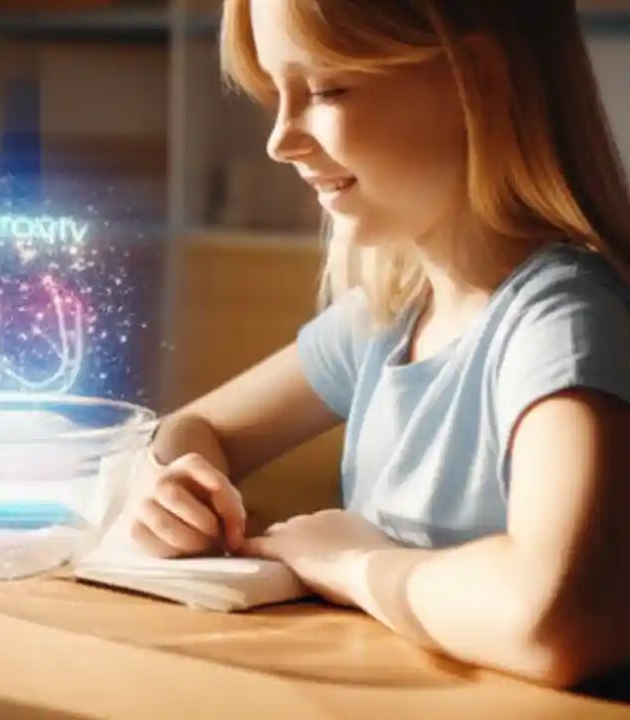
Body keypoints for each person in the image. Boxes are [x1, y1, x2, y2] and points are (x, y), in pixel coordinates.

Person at [133, 0, 630, 687]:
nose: (280, 139)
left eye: (328, 89)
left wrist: (352, 565)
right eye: (277, 94)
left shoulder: (564, 320)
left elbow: (556, 619)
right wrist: (175, 487)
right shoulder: (394, 313)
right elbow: (194, 427)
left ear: (478, 80)